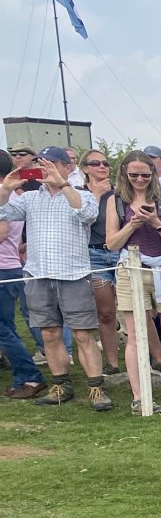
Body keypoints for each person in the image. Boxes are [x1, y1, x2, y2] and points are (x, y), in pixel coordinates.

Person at [0, 146, 112, 409]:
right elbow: (2, 213)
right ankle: (60, 384)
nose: (45, 167)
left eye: (51, 162)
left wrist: (62, 185)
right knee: (49, 334)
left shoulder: (82, 195)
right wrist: (6, 188)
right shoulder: (28, 198)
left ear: (67, 167)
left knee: (82, 334)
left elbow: (87, 215)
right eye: (41, 162)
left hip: (73, 275)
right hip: (38, 275)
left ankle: (96, 388)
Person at [104, 150, 161, 411]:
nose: (140, 179)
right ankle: (138, 396)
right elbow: (111, 243)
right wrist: (132, 225)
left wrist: (155, 222)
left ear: (153, 173)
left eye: (145, 174)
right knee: (135, 335)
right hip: (131, 269)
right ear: (125, 175)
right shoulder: (115, 201)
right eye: (134, 175)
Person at [0, 148, 44, 399]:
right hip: (10, 265)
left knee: (3, 328)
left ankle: (29, 375)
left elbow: (2, 231)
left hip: (4, 268)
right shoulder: (13, 193)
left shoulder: (7, 196)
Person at [80, 148, 122, 376]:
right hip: (95, 255)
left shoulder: (118, 193)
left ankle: (154, 358)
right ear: (84, 169)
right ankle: (113, 363)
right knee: (106, 313)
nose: (102, 167)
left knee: (138, 309)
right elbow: (82, 222)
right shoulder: (77, 194)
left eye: (105, 163)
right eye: (95, 163)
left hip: (121, 254)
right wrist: (95, 195)